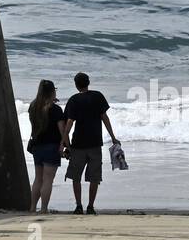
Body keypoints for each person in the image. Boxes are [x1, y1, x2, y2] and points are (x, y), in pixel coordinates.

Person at [62, 72, 120, 215]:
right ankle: (90, 206)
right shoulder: (97, 96)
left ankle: (78, 206)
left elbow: (69, 123)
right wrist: (113, 137)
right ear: (88, 82)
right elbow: (104, 117)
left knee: (76, 176)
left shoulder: (74, 100)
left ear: (76, 85)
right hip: (95, 144)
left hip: (78, 145)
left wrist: (64, 141)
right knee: (94, 177)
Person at [27, 80, 68, 213]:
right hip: (51, 147)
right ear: (52, 91)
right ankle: (44, 209)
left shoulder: (33, 106)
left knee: (38, 178)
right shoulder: (55, 109)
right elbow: (62, 130)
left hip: (37, 147)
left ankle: (32, 208)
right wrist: (66, 144)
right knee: (48, 180)